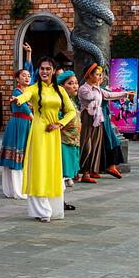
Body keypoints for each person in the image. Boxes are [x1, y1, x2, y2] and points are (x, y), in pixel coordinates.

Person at [11, 59, 77, 223]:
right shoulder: (34, 89)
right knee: (39, 168)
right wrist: (18, 100)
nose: (44, 71)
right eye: (42, 68)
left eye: (48, 69)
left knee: (53, 168)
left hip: (53, 133)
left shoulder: (60, 90)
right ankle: (41, 209)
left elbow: (71, 112)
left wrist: (59, 124)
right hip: (39, 131)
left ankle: (53, 207)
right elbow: (25, 96)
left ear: (54, 71)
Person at [76, 63, 129, 182]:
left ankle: (89, 172)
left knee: (96, 146)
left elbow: (109, 95)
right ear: (89, 76)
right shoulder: (84, 88)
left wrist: (124, 94)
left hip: (98, 118)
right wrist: (98, 86)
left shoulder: (97, 88)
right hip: (87, 118)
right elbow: (92, 97)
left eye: (100, 75)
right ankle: (82, 171)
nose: (100, 77)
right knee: (87, 145)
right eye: (97, 75)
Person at [0, 66, 34, 199]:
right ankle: (16, 190)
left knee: (23, 154)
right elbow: (23, 107)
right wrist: (32, 116)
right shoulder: (17, 92)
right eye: (24, 75)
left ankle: (19, 188)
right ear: (17, 79)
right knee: (15, 155)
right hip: (18, 124)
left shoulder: (30, 92)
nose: (27, 77)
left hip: (26, 125)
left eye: (28, 75)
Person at [58, 70, 81, 210]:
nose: (75, 86)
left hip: (72, 141)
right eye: (70, 83)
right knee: (61, 173)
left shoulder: (71, 101)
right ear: (61, 86)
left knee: (66, 173)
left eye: (76, 83)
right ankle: (58, 201)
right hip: (63, 142)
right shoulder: (60, 102)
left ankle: (61, 200)